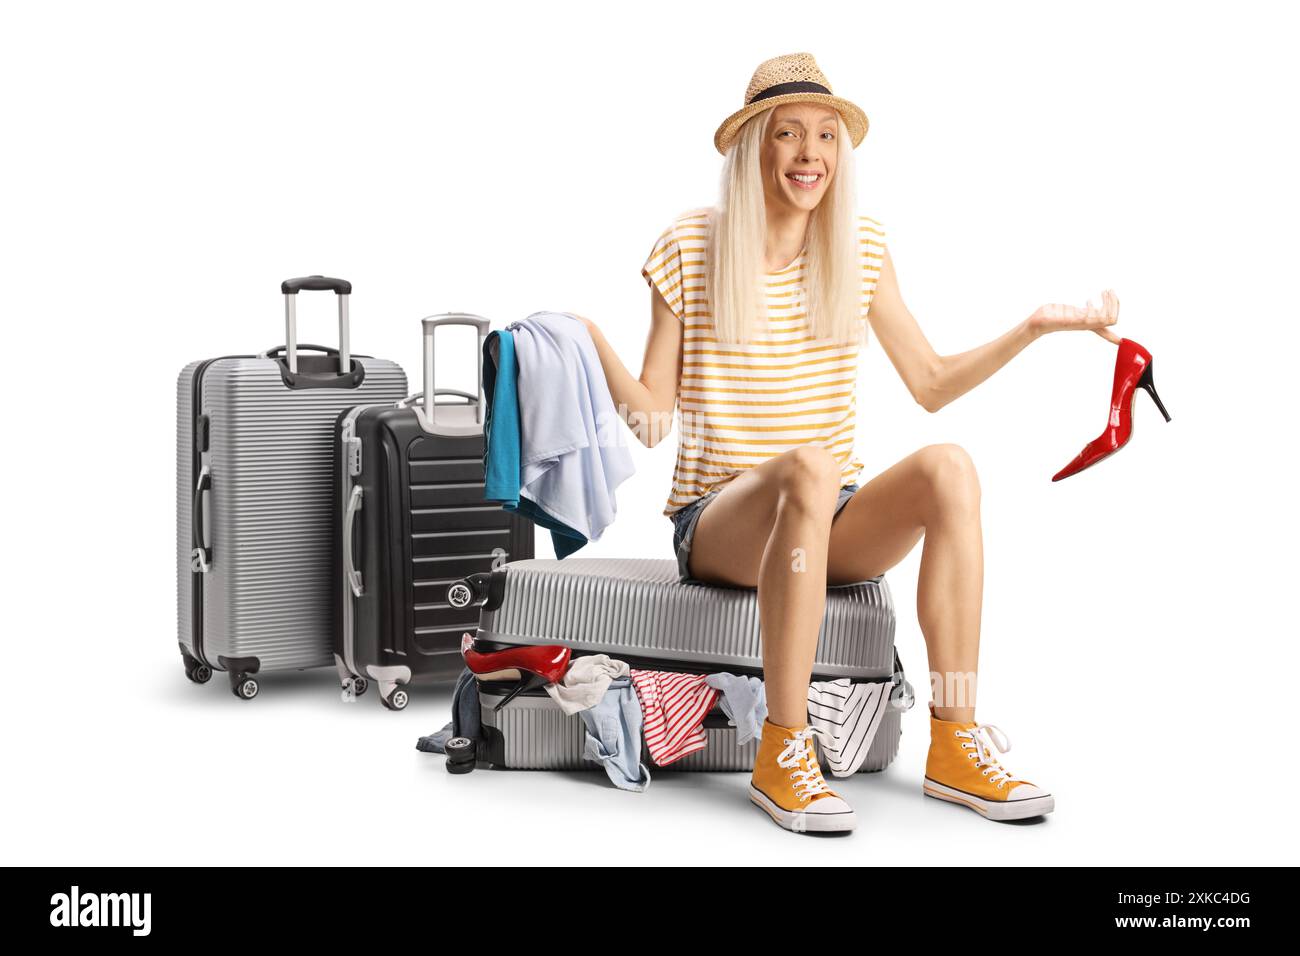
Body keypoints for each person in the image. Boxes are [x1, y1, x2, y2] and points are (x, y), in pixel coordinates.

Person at [576, 52, 1118, 834]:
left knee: (950, 469)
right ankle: (784, 749)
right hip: (720, 520)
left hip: (828, 513)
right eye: (789, 134)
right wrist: (590, 339)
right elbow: (654, 419)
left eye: (826, 137)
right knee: (810, 465)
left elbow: (929, 382)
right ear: (754, 148)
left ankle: (955, 739)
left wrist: (1033, 329)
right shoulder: (690, 245)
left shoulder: (858, 247)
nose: (810, 154)